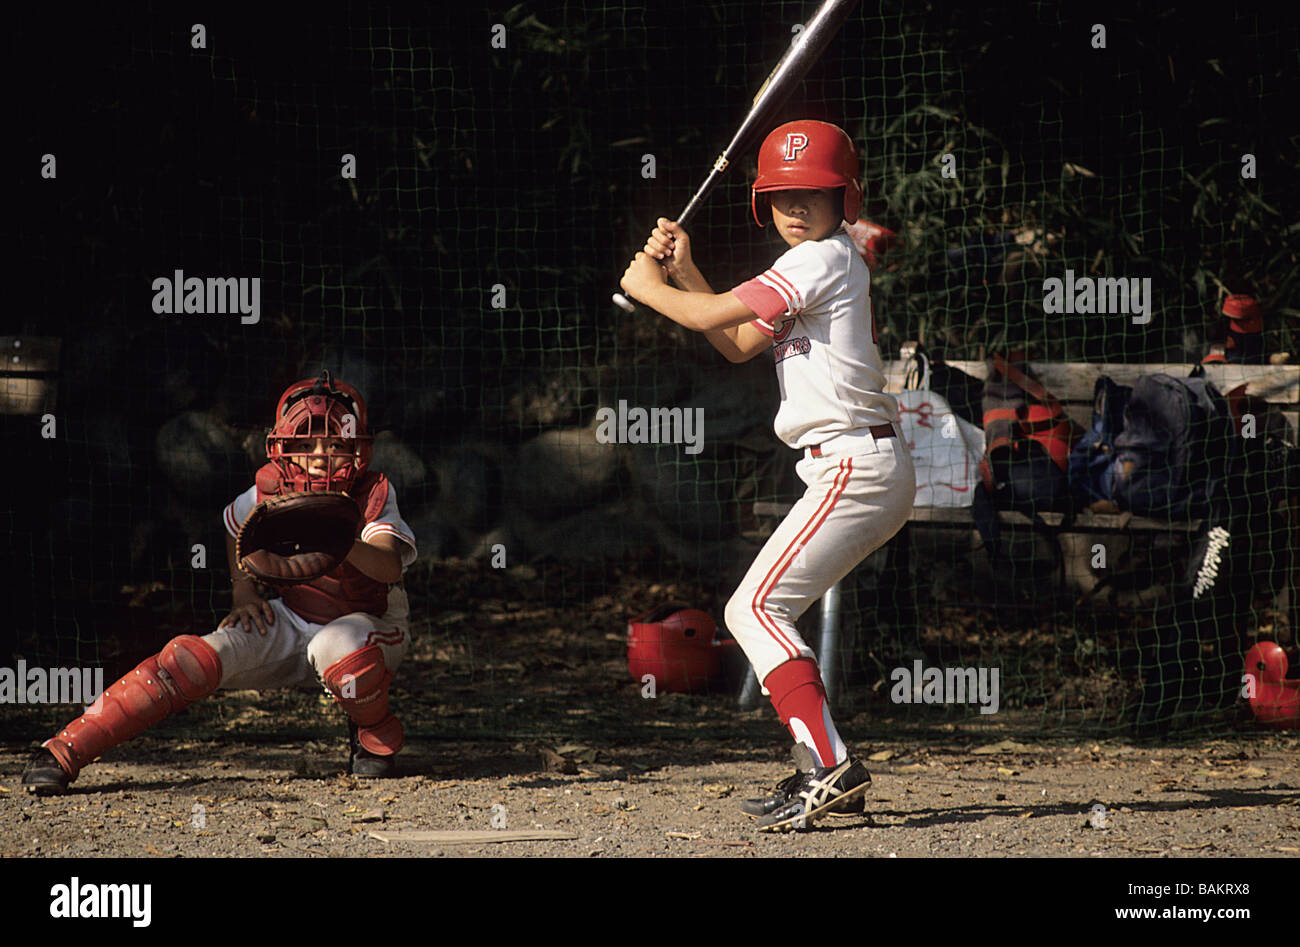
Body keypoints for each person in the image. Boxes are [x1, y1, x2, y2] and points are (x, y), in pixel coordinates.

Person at [618, 120, 915, 831]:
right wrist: (684, 270)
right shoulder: (819, 264)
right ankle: (823, 763)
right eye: (783, 194)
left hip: (856, 464)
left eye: (814, 192)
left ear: (843, 198)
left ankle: (833, 766)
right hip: (854, 466)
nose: (796, 206)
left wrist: (648, 286)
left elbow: (713, 316)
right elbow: (738, 342)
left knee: (753, 609)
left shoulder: (820, 260)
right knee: (760, 607)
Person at [22, 371, 418, 794]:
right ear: (283, 448)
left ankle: (373, 733)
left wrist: (340, 540)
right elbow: (234, 522)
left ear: (358, 450)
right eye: (305, 444)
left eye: (335, 444)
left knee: (336, 647)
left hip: (370, 626)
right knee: (187, 660)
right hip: (292, 620)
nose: (320, 456)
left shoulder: (373, 492)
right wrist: (243, 591)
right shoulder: (272, 489)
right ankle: (66, 749)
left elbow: (390, 566)